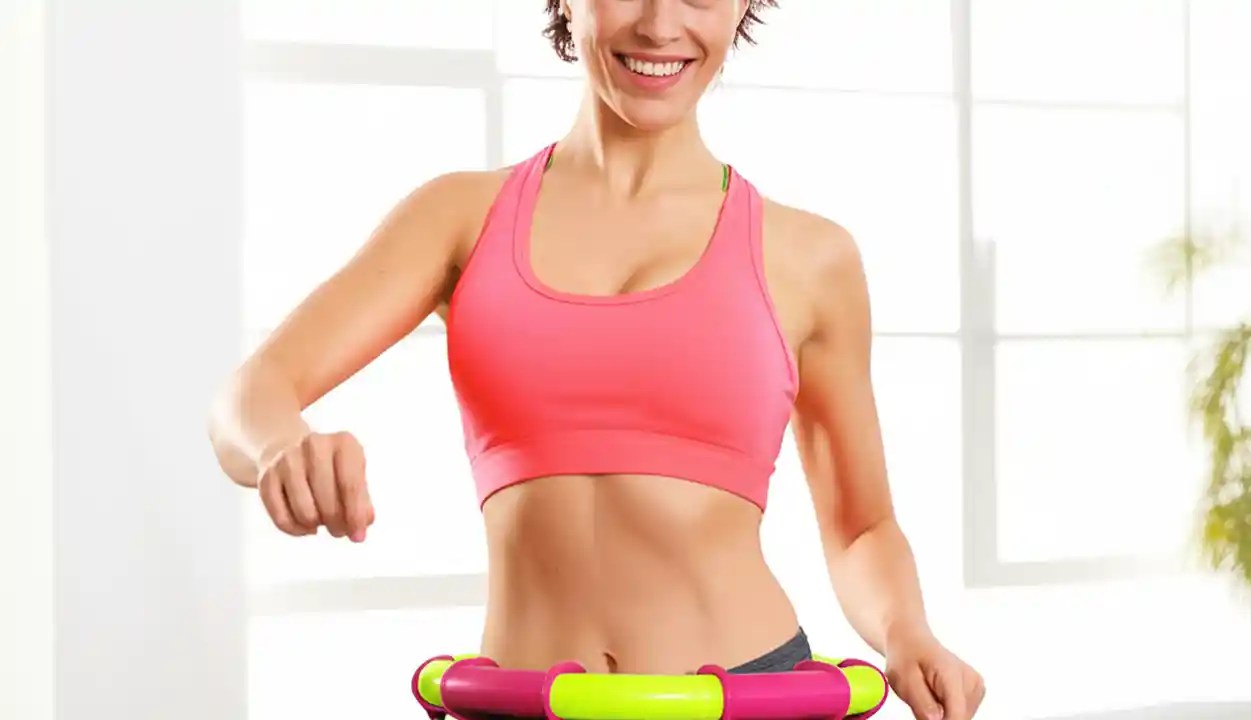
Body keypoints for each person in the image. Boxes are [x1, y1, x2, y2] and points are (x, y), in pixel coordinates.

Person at [207, 1, 985, 718]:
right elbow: (248, 395)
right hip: (521, 702)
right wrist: (281, 447)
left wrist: (906, 631)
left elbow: (861, 527)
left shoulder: (810, 257)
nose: (659, 25)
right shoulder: (459, 218)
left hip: (746, 692)